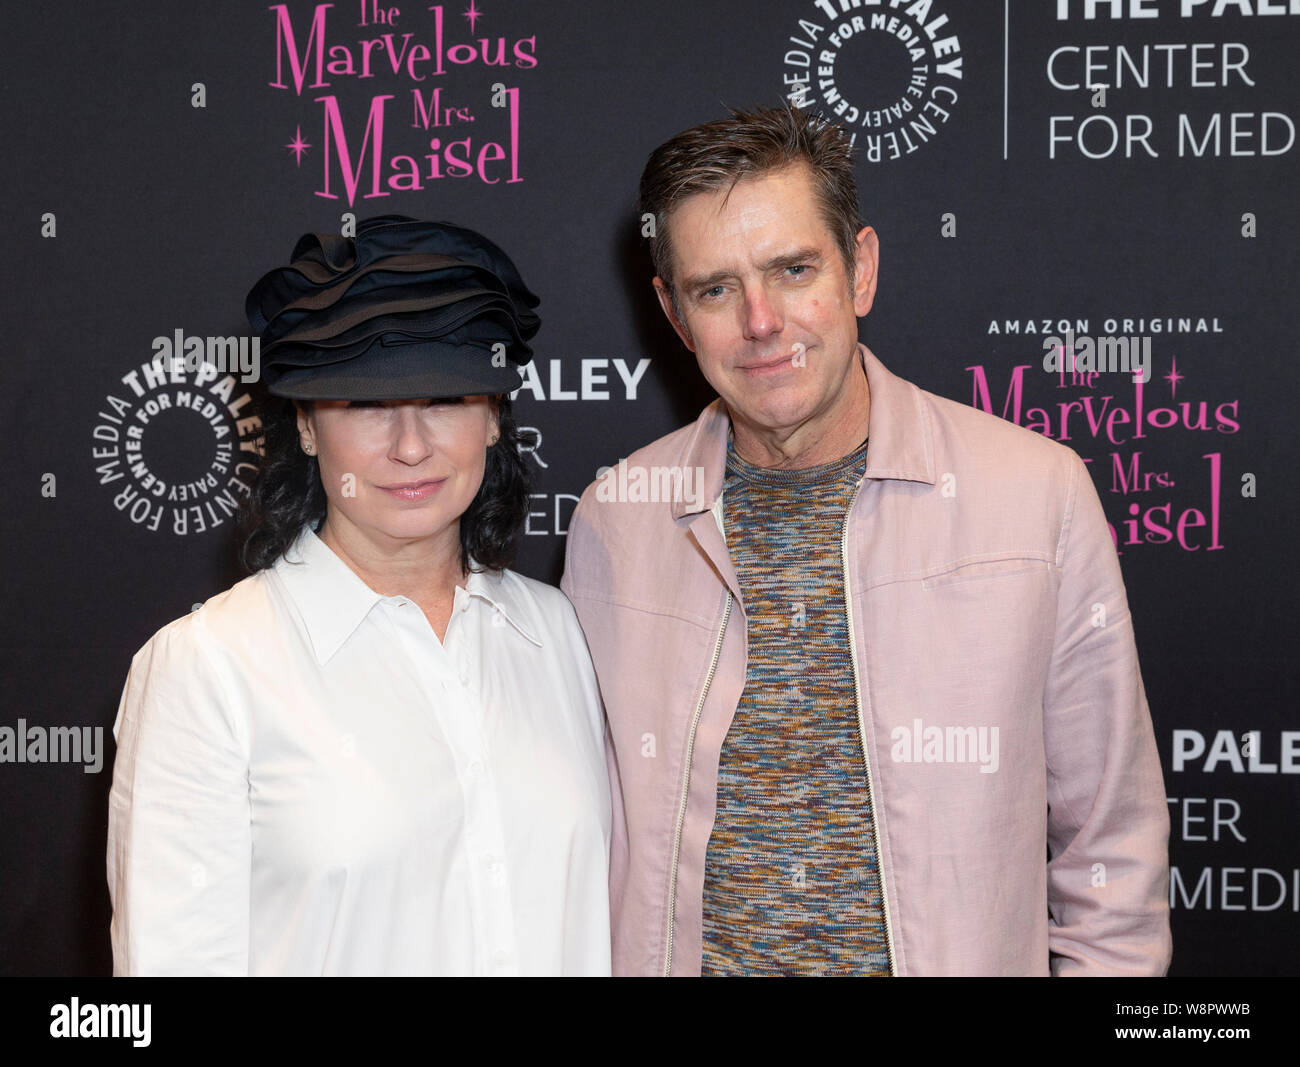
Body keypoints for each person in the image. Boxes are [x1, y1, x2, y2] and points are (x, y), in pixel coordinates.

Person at [561, 107, 1171, 976]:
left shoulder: (1034, 496)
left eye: (793, 269)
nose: (762, 321)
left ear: (860, 270)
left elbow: (1112, 852)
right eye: (715, 288)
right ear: (673, 311)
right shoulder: (616, 520)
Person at [107, 215, 611, 976]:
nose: (411, 445)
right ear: (306, 425)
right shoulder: (207, 669)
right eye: (367, 403)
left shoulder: (556, 630)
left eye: (445, 397)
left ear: (494, 415)